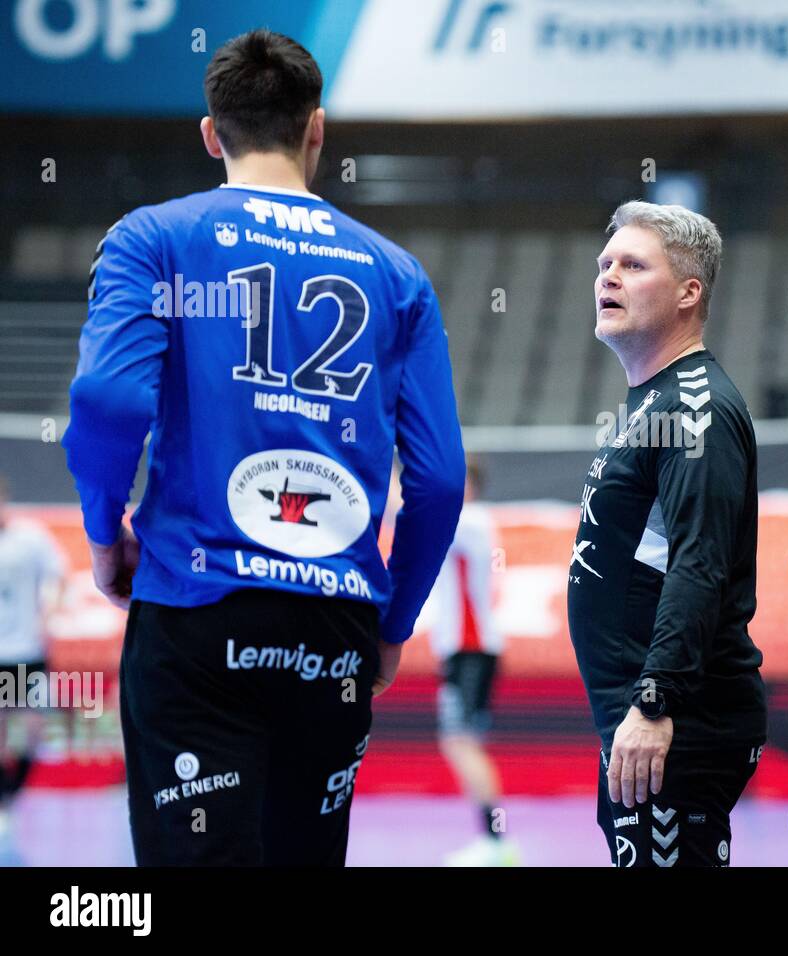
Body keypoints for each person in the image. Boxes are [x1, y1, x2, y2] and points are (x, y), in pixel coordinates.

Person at [61, 30, 465, 865]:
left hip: (197, 616)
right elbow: (438, 483)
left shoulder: (155, 238)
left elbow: (106, 399)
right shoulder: (396, 275)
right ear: (317, 129)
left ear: (212, 135)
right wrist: (391, 623)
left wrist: (106, 535)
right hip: (333, 632)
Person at [567, 200, 767, 867]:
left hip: (677, 719)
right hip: (642, 718)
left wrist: (654, 703)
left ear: (689, 292)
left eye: (632, 264)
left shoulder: (692, 405)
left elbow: (700, 564)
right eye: (604, 264)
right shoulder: (653, 401)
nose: (608, 277)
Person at [417, 458, 518, 866]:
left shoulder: (470, 521)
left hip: (472, 651)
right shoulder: (467, 524)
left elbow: (417, 512)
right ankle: (494, 841)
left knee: (463, 744)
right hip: (465, 651)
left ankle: (496, 842)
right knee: (462, 743)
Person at [0, 475, 68, 846]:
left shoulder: (30, 537)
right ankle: (2, 804)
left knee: (30, 731)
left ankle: (11, 794)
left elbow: (58, 575)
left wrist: (50, 611)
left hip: (25, 651)